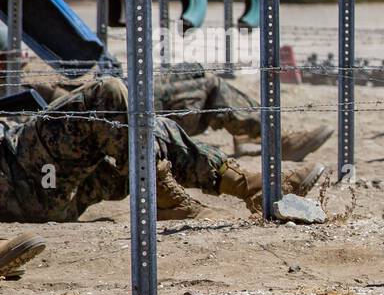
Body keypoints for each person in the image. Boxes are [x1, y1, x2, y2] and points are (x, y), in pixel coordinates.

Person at [2, 76, 324, 223]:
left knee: (146, 126)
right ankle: (161, 192)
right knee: (108, 94)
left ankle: (250, 186)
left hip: (51, 189)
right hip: (21, 172)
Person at [24, 63, 332, 162]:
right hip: (107, 115)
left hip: (98, 100)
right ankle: (277, 140)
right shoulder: (20, 80)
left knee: (196, 74)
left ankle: (268, 136)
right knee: (207, 87)